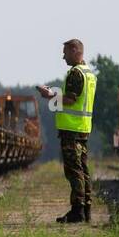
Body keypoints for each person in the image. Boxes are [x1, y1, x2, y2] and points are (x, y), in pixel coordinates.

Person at [36, 39, 97, 223]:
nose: (63, 57)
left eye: (65, 52)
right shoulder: (89, 74)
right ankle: (86, 210)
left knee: (74, 170)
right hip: (83, 128)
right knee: (83, 169)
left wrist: (50, 95)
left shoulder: (75, 73)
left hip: (71, 130)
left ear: (74, 50)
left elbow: (70, 100)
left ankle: (77, 212)